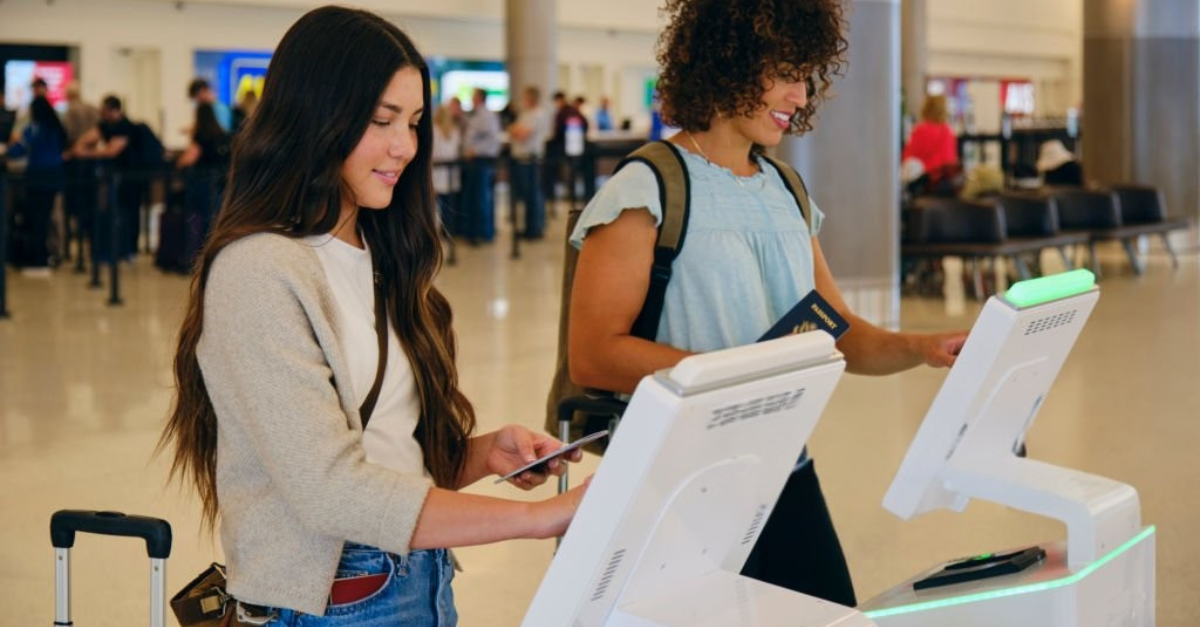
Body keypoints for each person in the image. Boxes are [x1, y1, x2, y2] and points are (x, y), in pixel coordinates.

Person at [158, 7, 587, 624]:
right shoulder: (259, 271)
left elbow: (387, 460)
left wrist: (484, 453)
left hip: (423, 580)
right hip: (332, 603)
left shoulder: (384, 255)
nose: (405, 147)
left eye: (413, 123)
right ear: (315, 116)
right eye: (381, 120)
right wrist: (541, 518)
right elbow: (329, 489)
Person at [566, 0, 966, 607]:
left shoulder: (786, 189)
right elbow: (593, 355)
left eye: (805, 75)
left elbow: (837, 331)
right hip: (678, 482)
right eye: (784, 73)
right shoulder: (646, 188)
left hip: (781, 466)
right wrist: (732, 378)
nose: (800, 95)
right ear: (727, 63)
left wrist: (923, 348)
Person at [6, 95, 67, 273]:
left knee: (36, 218)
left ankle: (37, 258)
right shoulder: (56, 128)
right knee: (46, 217)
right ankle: (46, 255)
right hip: (54, 177)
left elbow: (19, 150)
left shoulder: (34, 128)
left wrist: (5, 151)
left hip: (37, 178)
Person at [175, 102, 231, 261]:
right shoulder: (221, 134)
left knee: (196, 221)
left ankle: (192, 257)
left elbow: (189, 158)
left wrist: (178, 164)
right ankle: (213, 256)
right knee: (213, 221)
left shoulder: (201, 135)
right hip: (219, 184)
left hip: (201, 183)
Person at [507, 85, 550, 239]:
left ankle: (534, 229)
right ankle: (528, 227)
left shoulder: (538, 114)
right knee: (525, 196)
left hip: (530, 160)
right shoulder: (526, 114)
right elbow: (513, 130)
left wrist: (516, 130)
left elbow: (521, 133)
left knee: (533, 195)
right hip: (521, 160)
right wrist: (515, 130)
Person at [461, 87, 501, 243]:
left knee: (480, 198)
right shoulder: (476, 115)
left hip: (481, 161)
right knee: (475, 197)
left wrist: (475, 150)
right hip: (475, 161)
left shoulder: (486, 116)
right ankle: (475, 231)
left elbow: (491, 139)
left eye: (474, 96)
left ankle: (483, 232)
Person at [902, 94, 959, 175]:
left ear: (925, 109)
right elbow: (950, 159)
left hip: (923, 179)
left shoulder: (919, 130)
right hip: (942, 180)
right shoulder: (947, 131)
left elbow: (908, 157)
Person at [432, 103, 463, 235]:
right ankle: (449, 230)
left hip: (436, 170)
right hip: (451, 171)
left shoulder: (434, 130)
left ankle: (435, 230)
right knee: (449, 205)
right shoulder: (455, 131)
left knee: (434, 204)